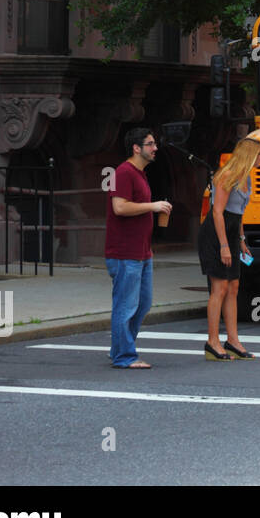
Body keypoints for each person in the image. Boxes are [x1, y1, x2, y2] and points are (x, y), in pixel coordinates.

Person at [105, 128, 171, 369]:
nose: (155, 148)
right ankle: (124, 356)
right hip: (124, 254)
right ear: (136, 147)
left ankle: (119, 349)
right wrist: (152, 206)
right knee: (126, 305)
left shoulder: (140, 174)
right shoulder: (123, 173)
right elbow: (120, 208)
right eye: (150, 144)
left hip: (141, 253)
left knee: (142, 304)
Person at [197, 137, 260, 360]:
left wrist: (241, 240)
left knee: (234, 286)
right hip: (215, 234)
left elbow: (239, 214)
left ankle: (233, 340)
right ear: (249, 155)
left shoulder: (247, 179)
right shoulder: (226, 175)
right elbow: (217, 212)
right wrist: (224, 245)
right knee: (220, 288)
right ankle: (212, 342)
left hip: (232, 233)